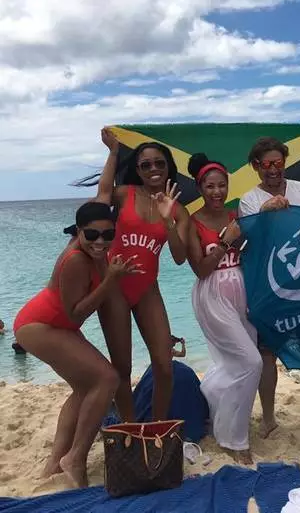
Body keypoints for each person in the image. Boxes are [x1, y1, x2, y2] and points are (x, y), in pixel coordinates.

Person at [13, 201, 141, 487]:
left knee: (86, 389)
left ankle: (54, 464)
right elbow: (77, 312)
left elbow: (105, 192)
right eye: (92, 235)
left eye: (108, 235)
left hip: (56, 325)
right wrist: (110, 281)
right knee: (108, 378)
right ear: (79, 232)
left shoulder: (95, 252)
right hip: (40, 325)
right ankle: (75, 457)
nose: (100, 241)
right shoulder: (75, 260)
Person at [74, 128, 189, 422]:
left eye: (159, 163)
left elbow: (179, 257)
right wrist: (113, 152)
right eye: (145, 165)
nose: (153, 169)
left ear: (168, 167)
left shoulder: (178, 210)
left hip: (147, 289)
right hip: (113, 287)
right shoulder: (126, 194)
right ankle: (129, 428)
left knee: (164, 365)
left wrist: (168, 222)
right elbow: (101, 197)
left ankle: (157, 427)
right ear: (136, 170)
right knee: (122, 368)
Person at [238, 136, 300, 440]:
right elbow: (251, 242)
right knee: (267, 353)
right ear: (256, 167)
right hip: (272, 287)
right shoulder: (249, 200)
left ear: (285, 163)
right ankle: (268, 418)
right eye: (265, 164)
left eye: (278, 163)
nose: (273, 169)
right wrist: (265, 212)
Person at [186, 153, 262, 464]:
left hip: (241, 293)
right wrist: (225, 241)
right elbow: (201, 269)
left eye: (222, 186)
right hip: (212, 295)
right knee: (252, 362)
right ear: (200, 188)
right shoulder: (192, 222)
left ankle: (211, 402)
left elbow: (255, 252)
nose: (217, 192)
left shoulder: (237, 215)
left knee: (231, 364)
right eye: (210, 186)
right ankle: (233, 439)